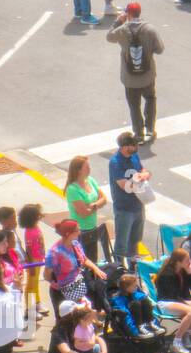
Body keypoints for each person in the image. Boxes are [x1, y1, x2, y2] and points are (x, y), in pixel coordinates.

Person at [106, 3, 163, 144]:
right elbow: (160, 49)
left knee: (134, 105)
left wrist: (118, 21)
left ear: (128, 14)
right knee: (150, 99)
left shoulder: (123, 30)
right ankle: (150, 129)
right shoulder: (150, 29)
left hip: (130, 78)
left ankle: (138, 134)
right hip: (147, 75)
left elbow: (109, 37)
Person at [108, 132, 150, 265]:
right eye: (133, 145)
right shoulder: (115, 162)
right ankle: (119, 270)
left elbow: (143, 169)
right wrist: (139, 179)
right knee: (122, 244)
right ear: (125, 147)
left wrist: (144, 174)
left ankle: (133, 269)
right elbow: (124, 185)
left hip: (138, 204)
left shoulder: (134, 156)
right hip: (124, 209)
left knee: (135, 241)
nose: (136, 147)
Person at [64, 155, 109, 263]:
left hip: (92, 228)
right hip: (80, 232)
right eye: (86, 167)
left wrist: (92, 206)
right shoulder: (72, 189)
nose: (89, 169)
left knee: (93, 260)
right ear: (78, 170)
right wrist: (97, 205)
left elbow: (104, 198)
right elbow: (83, 213)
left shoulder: (91, 180)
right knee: (83, 262)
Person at [109, 272, 164, 340]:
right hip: (131, 324)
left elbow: (144, 298)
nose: (136, 287)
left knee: (145, 300)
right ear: (126, 287)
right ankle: (140, 327)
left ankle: (151, 323)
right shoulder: (118, 300)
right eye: (134, 286)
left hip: (143, 320)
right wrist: (134, 332)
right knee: (136, 304)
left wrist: (149, 303)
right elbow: (126, 316)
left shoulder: (135, 294)